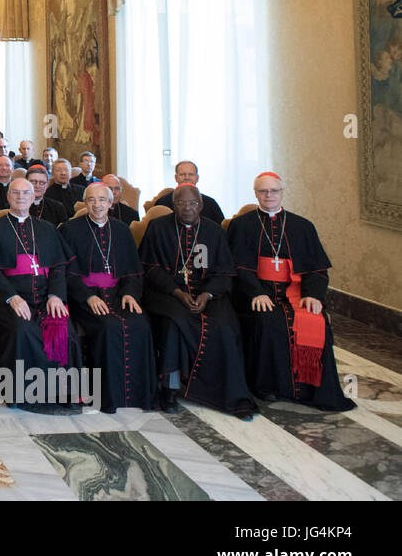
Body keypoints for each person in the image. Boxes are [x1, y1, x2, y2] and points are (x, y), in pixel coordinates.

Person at [228, 173, 354, 411]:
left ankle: (309, 387)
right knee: (268, 321)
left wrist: (313, 295)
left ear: (282, 192)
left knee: (315, 320)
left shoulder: (302, 226)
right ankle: (269, 388)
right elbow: (237, 268)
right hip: (258, 292)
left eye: (274, 191)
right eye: (263, 191)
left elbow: (317, 269)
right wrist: (255, 292)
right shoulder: (242, 226)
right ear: (255, 194)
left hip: (295, 291)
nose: (269, 196)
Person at [139, 184, 256, 419]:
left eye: (192, 203)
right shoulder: (158, 228)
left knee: (224, 326)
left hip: (208, 293)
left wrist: (207, 294)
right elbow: (149, 268)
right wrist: (177, 292)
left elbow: (224, 271)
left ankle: (228, 390)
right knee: (174, 324)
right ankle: (169, 389)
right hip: (167, 293)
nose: (187, 208)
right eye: (181, 203)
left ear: (201, 205)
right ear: (173, 206)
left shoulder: (213, 231)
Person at [0, 178, 82, 412]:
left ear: (33, 195)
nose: (21, 197)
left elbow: (57, 266)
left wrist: (56, 295)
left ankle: (61, 391)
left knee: (62, 326)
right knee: (22, 330)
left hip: (45, 297)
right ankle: (20, 392)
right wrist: (12, 297)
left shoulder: (46, 229)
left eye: (26, 193)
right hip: (10, 300)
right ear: (8, 196)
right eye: (16, 193)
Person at [59, 182, 156, 412]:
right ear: (85, 203)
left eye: (102, 200)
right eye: (91, 199)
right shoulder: (70, 230)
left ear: (111, 203)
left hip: (118, 294)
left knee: (141, 324)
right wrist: (87, 297)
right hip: (85, 296)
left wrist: (131, 293)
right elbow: (66, 274)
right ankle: (108, 396)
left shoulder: (121, 230)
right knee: (108, 327)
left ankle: (139, 396)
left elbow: (133, 270)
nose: (97, 204)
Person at [154, 161, 225, 224]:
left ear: (197, 178)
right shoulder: (162, 202)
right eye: (182, 174)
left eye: (191, 174)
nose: (187, 177)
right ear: (176, 178)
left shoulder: (210, 203)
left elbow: (220, 231)